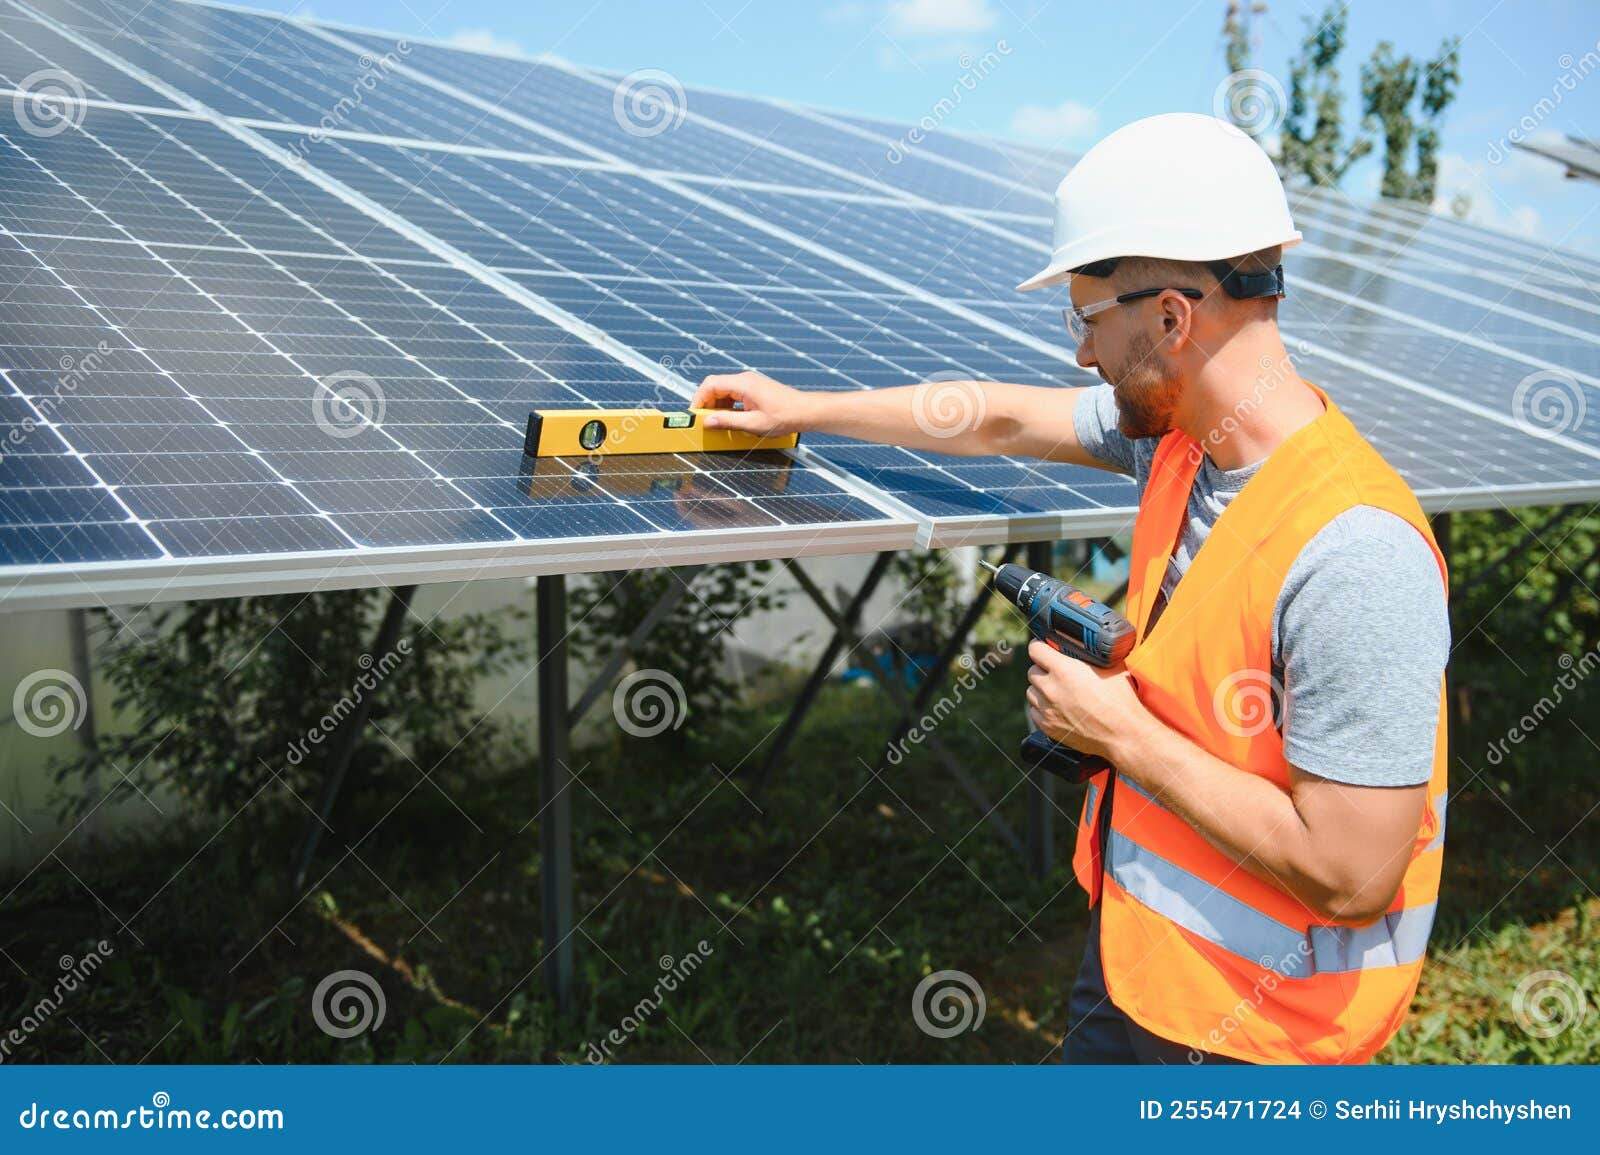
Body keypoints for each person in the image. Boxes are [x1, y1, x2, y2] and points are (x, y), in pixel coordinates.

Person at [691, 112, 1450, 1065]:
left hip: (1261, 1037)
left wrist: (1118, 732)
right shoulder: (1179, 442)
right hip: (1141, 963)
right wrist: (806, 410)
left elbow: (1354, 872)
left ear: (1173, 317)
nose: (1083, 354)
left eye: (1089, 320)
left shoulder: (1354, 549)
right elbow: (1000, 417)